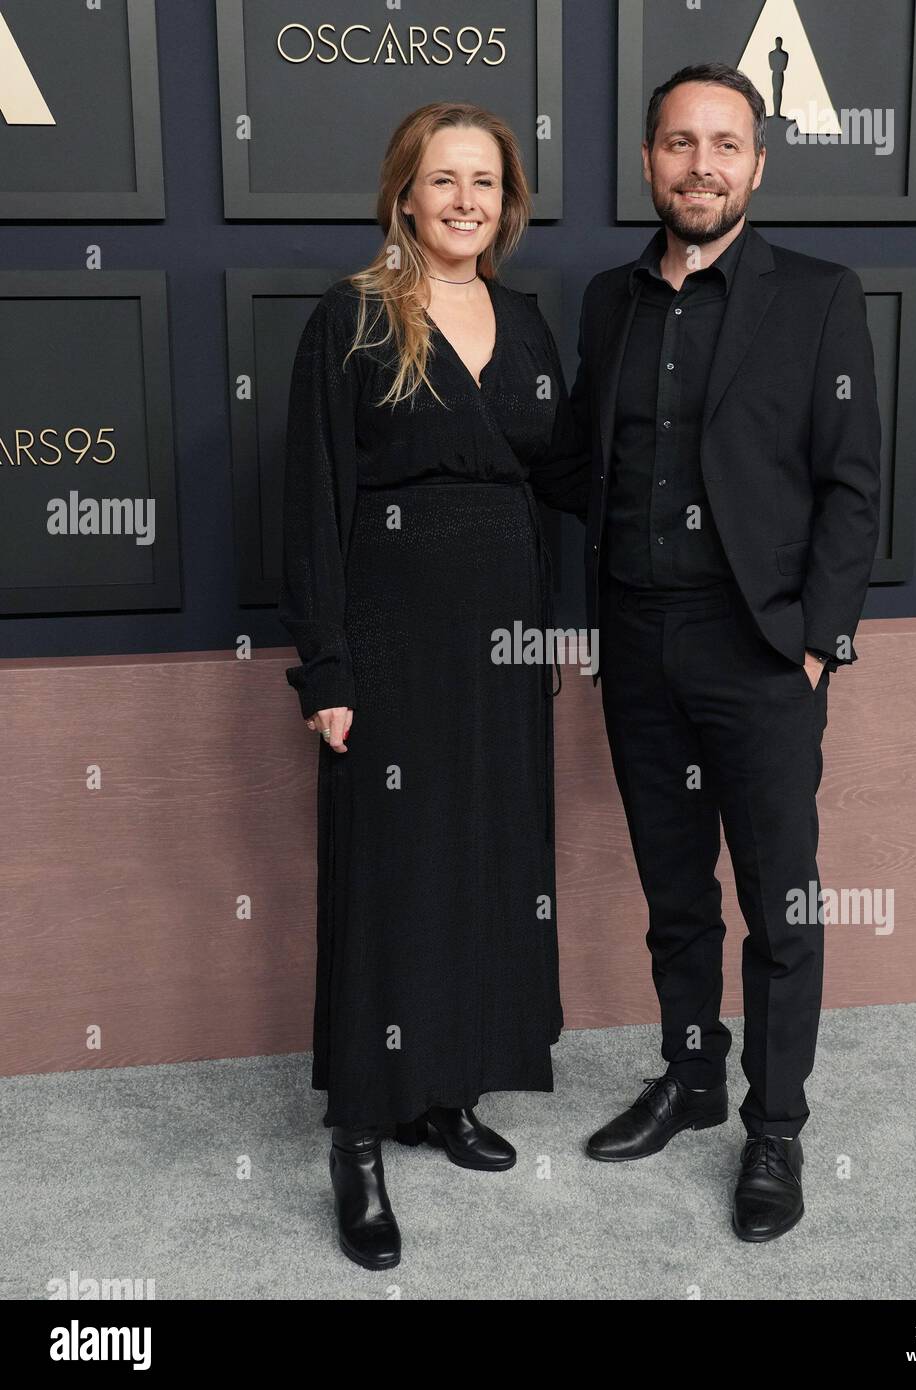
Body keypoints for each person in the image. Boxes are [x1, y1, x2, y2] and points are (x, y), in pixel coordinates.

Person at [562, 64, 882, 1241]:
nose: (700, 164)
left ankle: (774, 1128)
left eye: (724, 144)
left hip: (758, 652)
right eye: (678, 143)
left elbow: (853, 489)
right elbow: (577, 470)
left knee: (779, 907)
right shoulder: (607, 302)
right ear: (647, 161)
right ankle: (693, 1081)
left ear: (757, 163)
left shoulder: (816, 295)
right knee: (672, 896)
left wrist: (813, 646)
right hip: (636, 642)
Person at [277, 102, 587, 1270]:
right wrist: (328, 667)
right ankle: (358, 1133)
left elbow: (562, 477)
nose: (466, 199)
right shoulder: (352, 318)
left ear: (508, 202)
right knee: (388, 874)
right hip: (392, 643)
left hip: (502, 644)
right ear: (403, 193)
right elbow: (311, 503)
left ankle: (442, 1090)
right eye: (442, 179)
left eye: (487, 182)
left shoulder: (525, 321)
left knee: (482, 861)